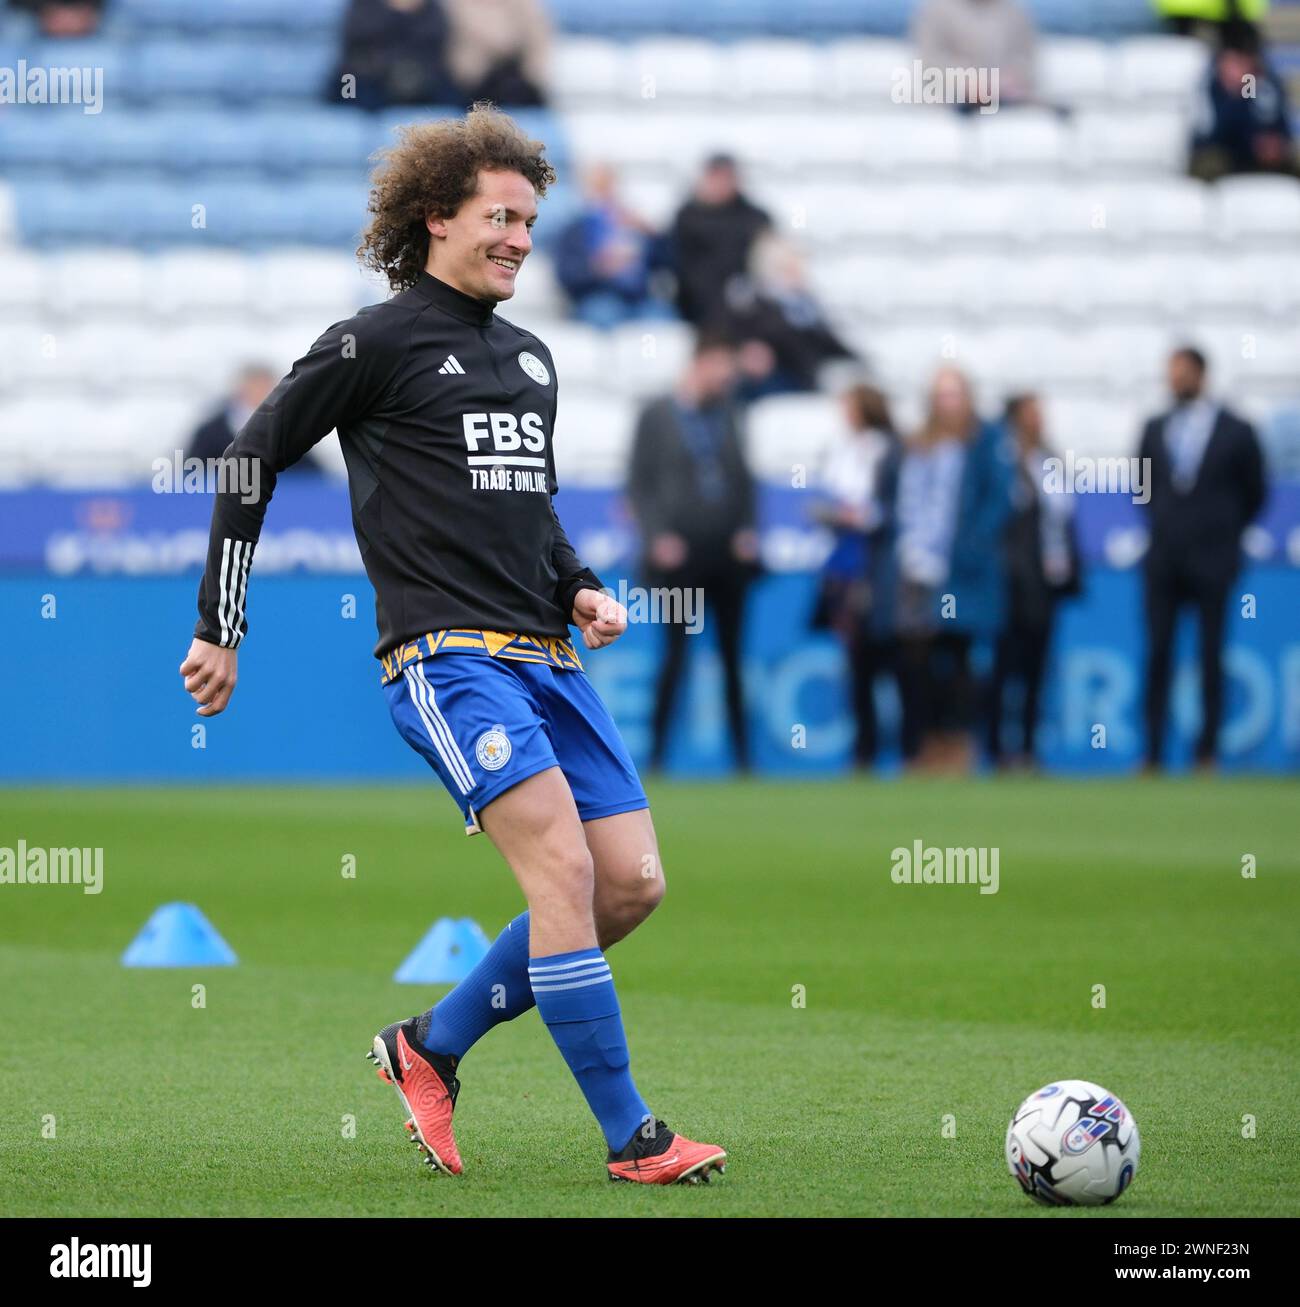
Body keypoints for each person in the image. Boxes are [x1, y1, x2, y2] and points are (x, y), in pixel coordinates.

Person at [179, 106, 725, 1186]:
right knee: (563, 872)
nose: (520, 237)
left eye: (529, 219)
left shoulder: (530, 359)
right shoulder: (371, 341)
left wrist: (577, 587)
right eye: (499, 216)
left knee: (631, 884)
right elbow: (251, 458)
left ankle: (426, 1048)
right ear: (436, 219)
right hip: (448, 658)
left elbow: (534, 508)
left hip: (548, 662)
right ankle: (634, 1136)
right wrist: (220, 624)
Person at [626, 330, 760, 773]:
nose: (727, 379)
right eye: (721, 368)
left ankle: (743, 758)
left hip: (726, 557)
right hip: (678, 562)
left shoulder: (729, 415)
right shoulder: (657, 414)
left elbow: (745, 479)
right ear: (700, 363)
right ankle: (658, 755)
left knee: (733, 658)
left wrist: (748, 529)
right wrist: (656, 537)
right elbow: (638, 484)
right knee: (675, 657)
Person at [874, 367, 1013, 772]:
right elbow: (893, 499)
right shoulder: (915, 444)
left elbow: (998, 501)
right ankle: (921, 742)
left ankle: (958, 743)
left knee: (958, 654)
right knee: (913, 657)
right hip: (914, 567)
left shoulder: (985, 441)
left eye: (954, 394)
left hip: (961, 570)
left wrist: (972, 545)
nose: (947, 403)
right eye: (941, 394)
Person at [1139, 347, 1266, 771]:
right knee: (1159, 654)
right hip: (1164, 562)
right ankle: (1153, 753)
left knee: (1211, 656)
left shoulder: (1236, 430)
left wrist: (1220, 530)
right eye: (1170, 372)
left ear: (1200, 374)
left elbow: (1256, 492)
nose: (1175, 380)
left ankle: (1206, 752)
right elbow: (1141, 487)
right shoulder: (1154, 428)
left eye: (1182, 372)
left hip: (1213, 560)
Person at [985, 393, 1080, 770]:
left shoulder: (1049, 461)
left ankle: (1026, 747)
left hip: (1046, 580)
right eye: (1031, 413)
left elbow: (1061, 520)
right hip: (1010, 581)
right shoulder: (1001, 460)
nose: (1039, 420)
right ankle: (994, 747)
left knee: (1037, 667)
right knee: (1004, 665)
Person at [809, 384, 901, 769]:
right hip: (846, 567)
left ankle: (903, 746)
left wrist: (858, 517)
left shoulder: (889, 450)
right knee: (857, 660)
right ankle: (865, 748)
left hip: (877, 569)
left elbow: (893, 511)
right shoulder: (842, 449)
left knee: (890, 659)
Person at [723, 233, 857, 398]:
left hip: (809, 378)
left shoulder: (807, 307)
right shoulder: (752, 306)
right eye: (791, 267)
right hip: (775, 382)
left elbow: (832, 344)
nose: (801, 272)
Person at [554, 163, 670, 328]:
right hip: (596, 297)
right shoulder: (575, 229)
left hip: (639, 299)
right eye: (598, 187)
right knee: (604, 315)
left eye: (608, 185)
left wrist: (653, 235)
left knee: (660, 319)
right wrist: (599, 268)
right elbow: (566, 275)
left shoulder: (632, 222)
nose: (605, 193)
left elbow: (667, 264)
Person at [668, 154, 770, 328]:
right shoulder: (687, 217)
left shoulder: (755, 217)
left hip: (746, 295)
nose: (722, 184)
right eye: (717, 177)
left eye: (727, 178)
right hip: (697, 300)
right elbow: (679, 265)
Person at [1190, 23, 1295, 180]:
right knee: (1210, 161)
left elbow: (1269, 122)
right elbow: (1206, 133)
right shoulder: (1209, 84)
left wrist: (1274, 142)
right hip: (1223, 154)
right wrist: (1233, 95)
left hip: (1257, 157)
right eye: (1236, 60)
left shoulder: (1259, 81)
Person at [187, 365, 327, 474]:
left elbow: (312, 476)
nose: (261, 393)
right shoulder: (211, 433)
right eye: (255, 386)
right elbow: (191, 473)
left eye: (266, 387)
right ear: (241, 389)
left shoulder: (287, 431)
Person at [912, 0, 1039, 110]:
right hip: (950, 105)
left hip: (1006, 104)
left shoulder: (1014, 12)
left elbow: (1026, 61)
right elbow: (929, 61)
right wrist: (967, 81)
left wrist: (1009, 79)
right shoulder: (936, 10)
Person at [331, 0, 455, 110]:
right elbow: (357, 46)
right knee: (350, 83)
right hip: (367, 78)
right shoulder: (363, 6)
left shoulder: (433, 10)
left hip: (420, 81)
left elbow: (433, 48)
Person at [443, 0, 551, 107]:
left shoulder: (525, 6)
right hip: (473, 84)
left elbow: (538, 45)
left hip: (520, 82)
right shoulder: (456, 7)